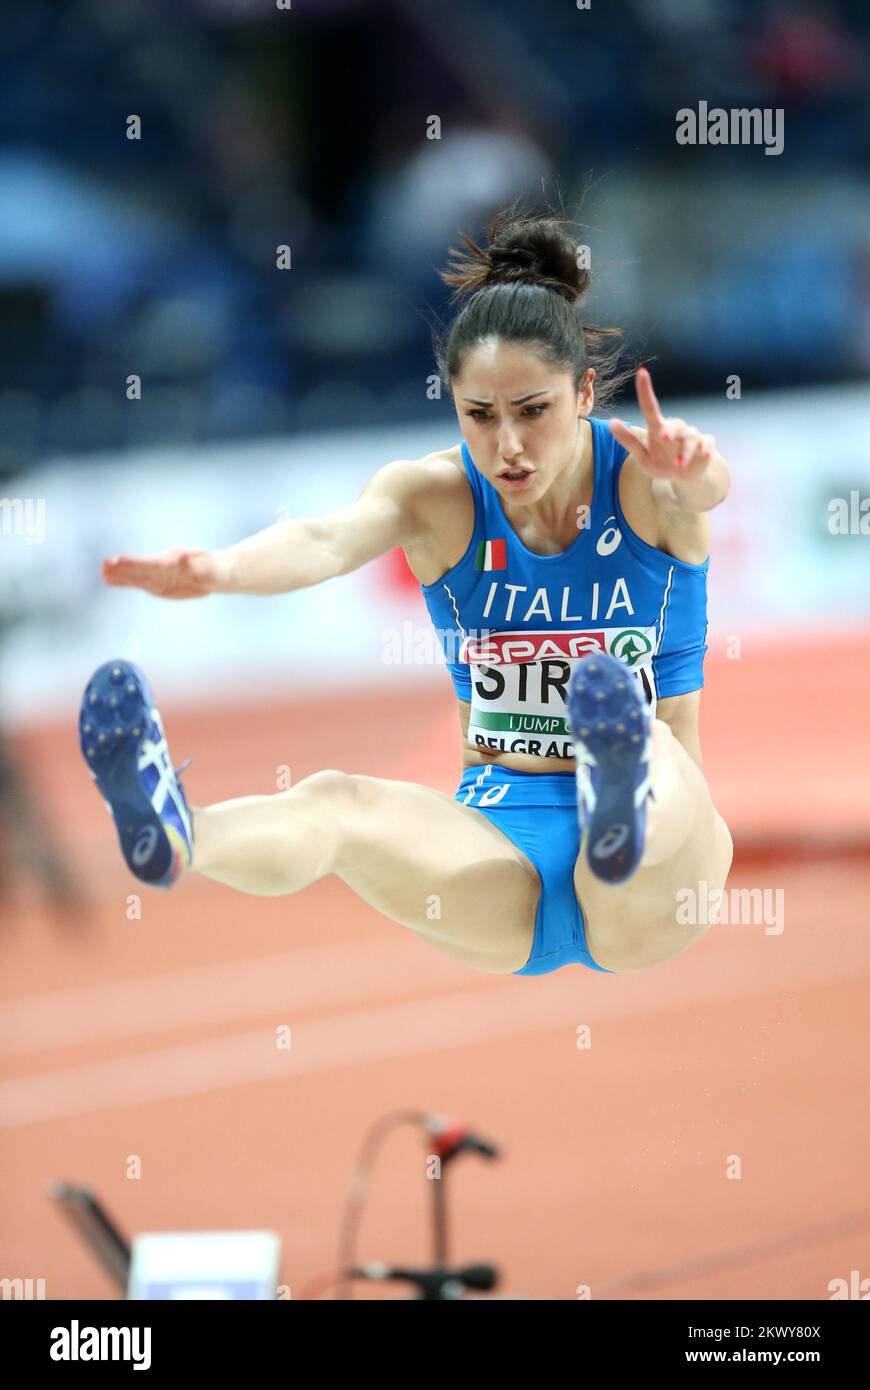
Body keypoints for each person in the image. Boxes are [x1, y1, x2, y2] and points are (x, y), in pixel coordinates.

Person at [79, 207, 733, 978]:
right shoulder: (436, 496)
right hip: (498, 861)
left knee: (647, 744)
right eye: (479, 416)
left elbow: (707, 490)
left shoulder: (650, 486)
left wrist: (699, 473)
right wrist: (219, 571)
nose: (507, 445)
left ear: (585, 394)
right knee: (336, 802)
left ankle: (616, 793)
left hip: (659, 878)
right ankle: (183, 831)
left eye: (533, 411)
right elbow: (325, 539)